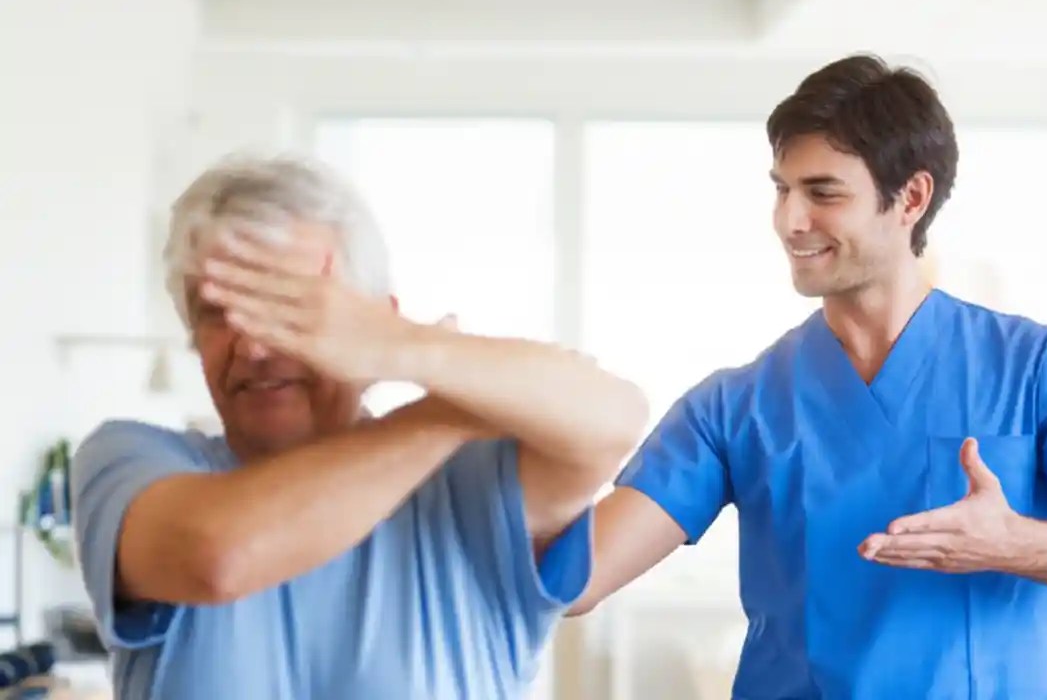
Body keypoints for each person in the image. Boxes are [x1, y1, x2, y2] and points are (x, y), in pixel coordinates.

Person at [570, 54, 1047, 698]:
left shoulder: (1035, 367)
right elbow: (574, 579)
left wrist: (1011, 543)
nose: (790, 220)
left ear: (911, 199)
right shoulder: (733, 408)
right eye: (782, 189)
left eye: (823, 192)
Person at [71, 155, 648, 700]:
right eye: (216, 313)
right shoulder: (130, 460)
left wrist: (409, 350)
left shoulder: (468, 485)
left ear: (372, 324)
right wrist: (447, 410)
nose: (252, 344)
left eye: (289, 307)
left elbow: (614, 419)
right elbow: (217, 558)